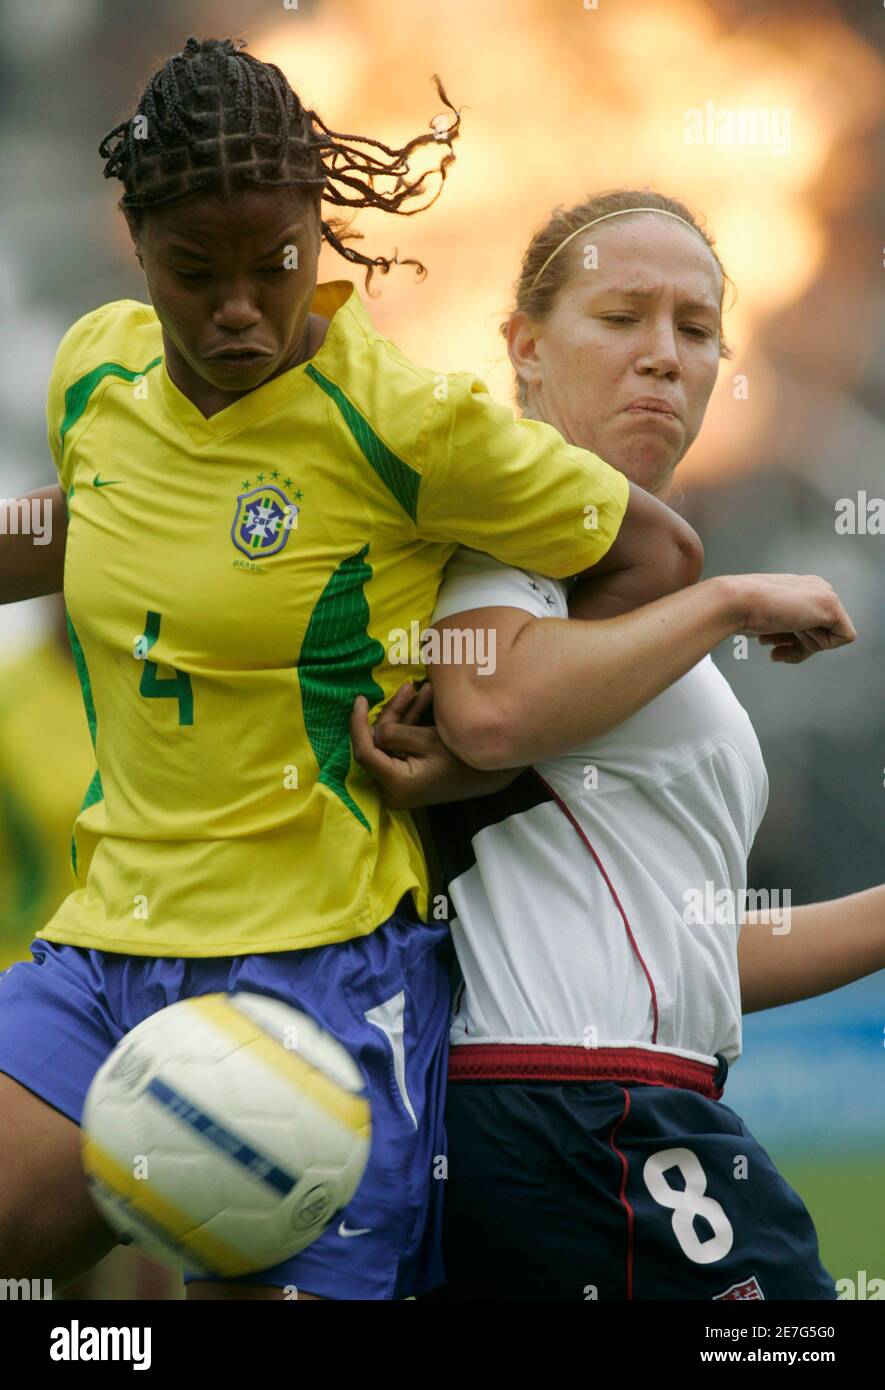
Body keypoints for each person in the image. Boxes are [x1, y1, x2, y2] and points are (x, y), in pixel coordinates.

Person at [0, 40, 741, 1302]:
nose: (240, 306)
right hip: (110, 943)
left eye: (276, 265)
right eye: (197, 273)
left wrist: (477, 741)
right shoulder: (97, 369)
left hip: (322, 973)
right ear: (137, 250)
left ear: (320, 236)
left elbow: (657, 553)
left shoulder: (410, 422)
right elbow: (91, 519)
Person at [351, 189, 875, 1300]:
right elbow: (491, 708)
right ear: (525, 349)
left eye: (695, 330)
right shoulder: (514, 538)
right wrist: (728, 600)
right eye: (622, 316)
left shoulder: (614, 584)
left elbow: (687, 950)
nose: (663, 357)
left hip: (596, 1101)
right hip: (580, 1103)